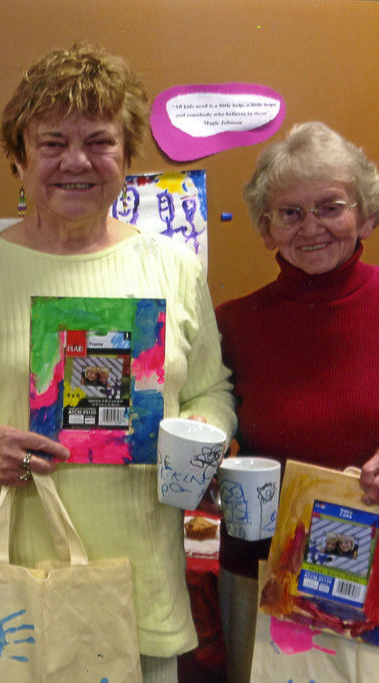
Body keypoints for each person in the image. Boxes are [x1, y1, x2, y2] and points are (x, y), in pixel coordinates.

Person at [0, 43, 235, 683]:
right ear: (18, 157)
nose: (77, 161)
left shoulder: (172, 268)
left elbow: (212, 389)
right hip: (8, 602)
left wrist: (202, 433)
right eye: (52, 143)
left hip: (139, 590)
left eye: (99, 141)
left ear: (127, 154)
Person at [215, 121, 379, 682]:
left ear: (366, 215)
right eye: (290, 212)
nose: (311, 227)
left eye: (331, 207)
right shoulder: (234, 323)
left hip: (373, 577)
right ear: (267, 228)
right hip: (261, 573)